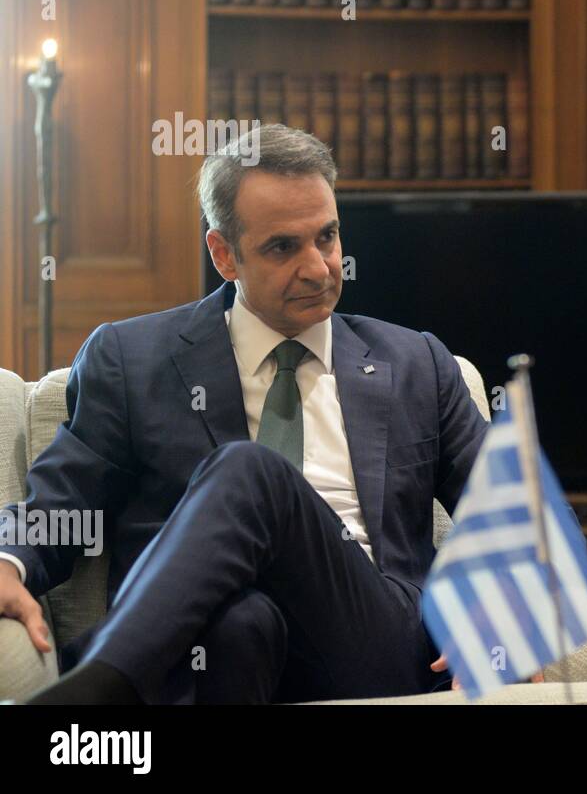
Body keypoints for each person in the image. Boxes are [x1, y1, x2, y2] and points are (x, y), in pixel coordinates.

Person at [0, 124, 490, 703]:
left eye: (327, 238)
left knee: (251, 471)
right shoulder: (133, 360)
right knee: (240, 625)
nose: (318, 268)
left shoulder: (418, 364)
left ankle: (93, 697)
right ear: (224, 254)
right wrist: (8, 562)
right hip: (205, 644)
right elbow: (62, 504)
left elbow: (516, 513)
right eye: (284, 247)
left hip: (373, 640)